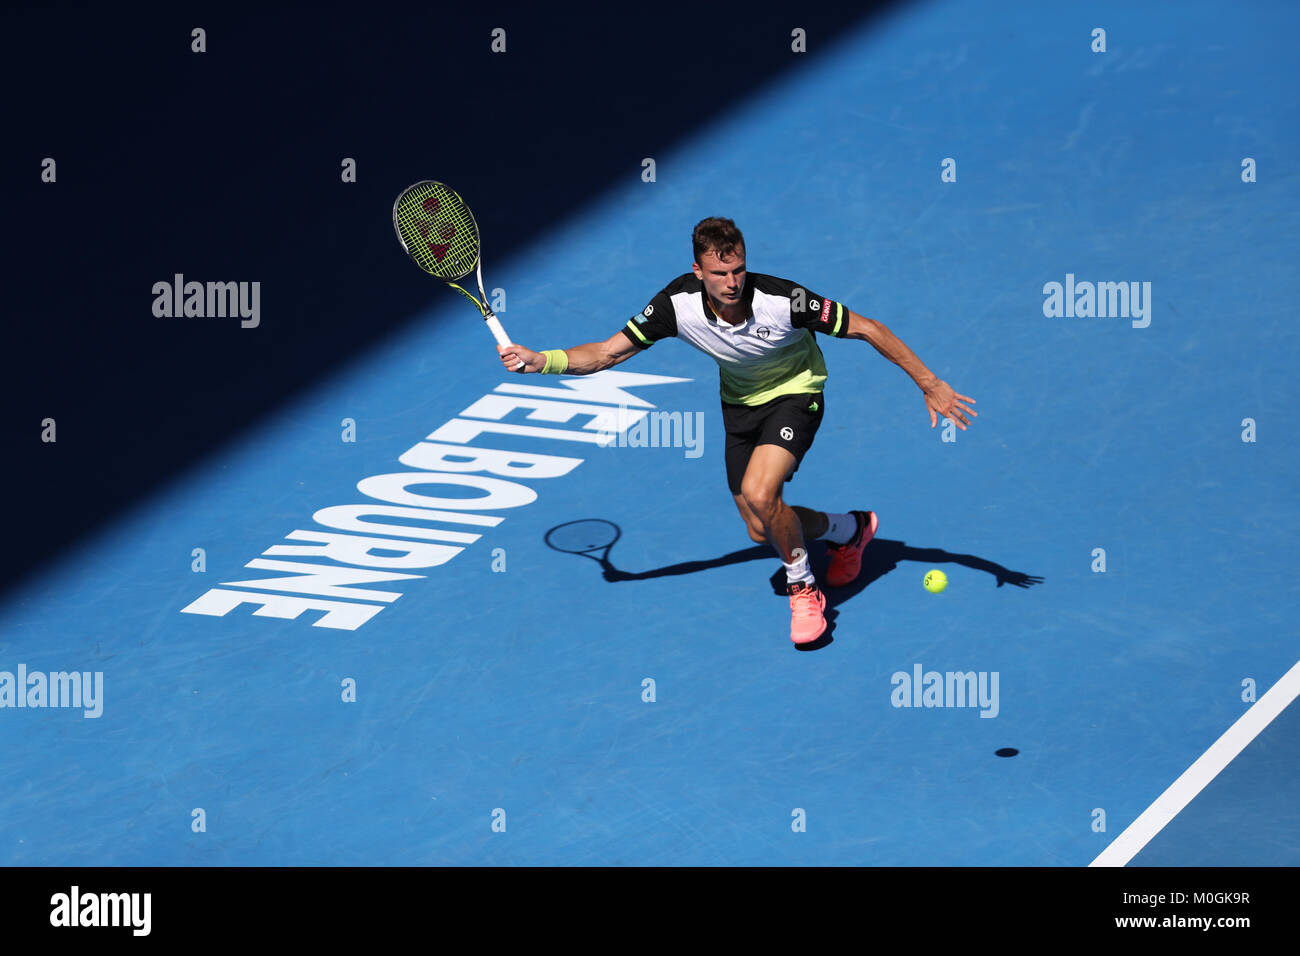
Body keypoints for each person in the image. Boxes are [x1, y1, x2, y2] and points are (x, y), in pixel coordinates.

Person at [498, 217, 976, 644]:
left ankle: (804, 589)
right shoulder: (675, 304)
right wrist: (543, 362)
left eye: (738, 270)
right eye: (719, 273)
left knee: (760, 491)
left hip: (797, 394)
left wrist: (930, 384)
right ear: (697, 271)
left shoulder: (783, 300)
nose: (731, 282)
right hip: (740, 407)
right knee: (757, 526)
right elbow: (605, 353)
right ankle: (849, 529)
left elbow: (869, 328)